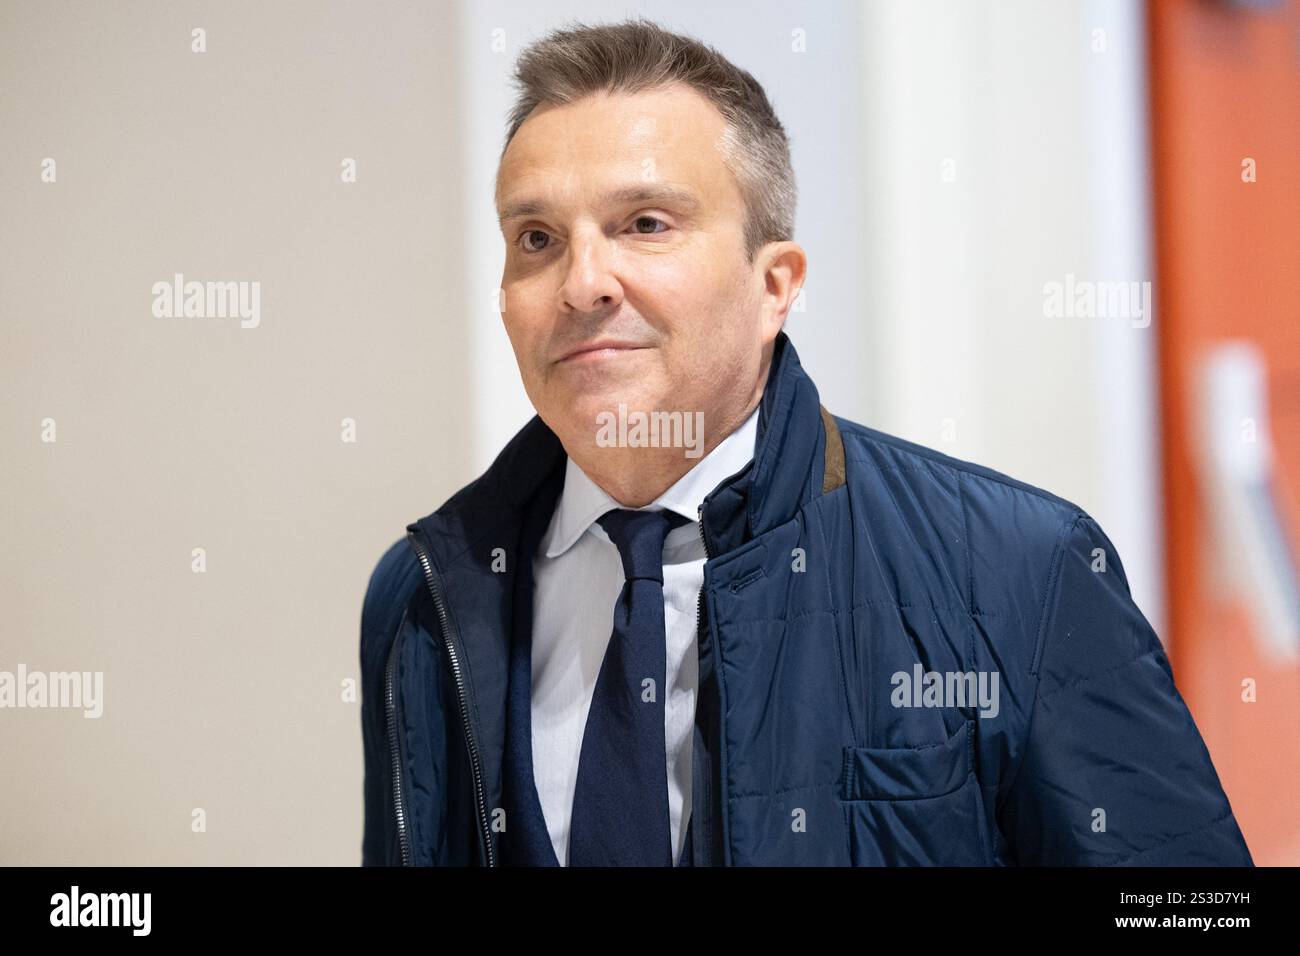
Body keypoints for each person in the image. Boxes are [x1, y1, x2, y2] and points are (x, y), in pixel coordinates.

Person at [360, 17, 1252, 866]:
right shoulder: (426, 593)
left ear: (775, 284)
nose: (584, 282)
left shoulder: (1020, 572)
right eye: (538, 238)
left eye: (646, 224)